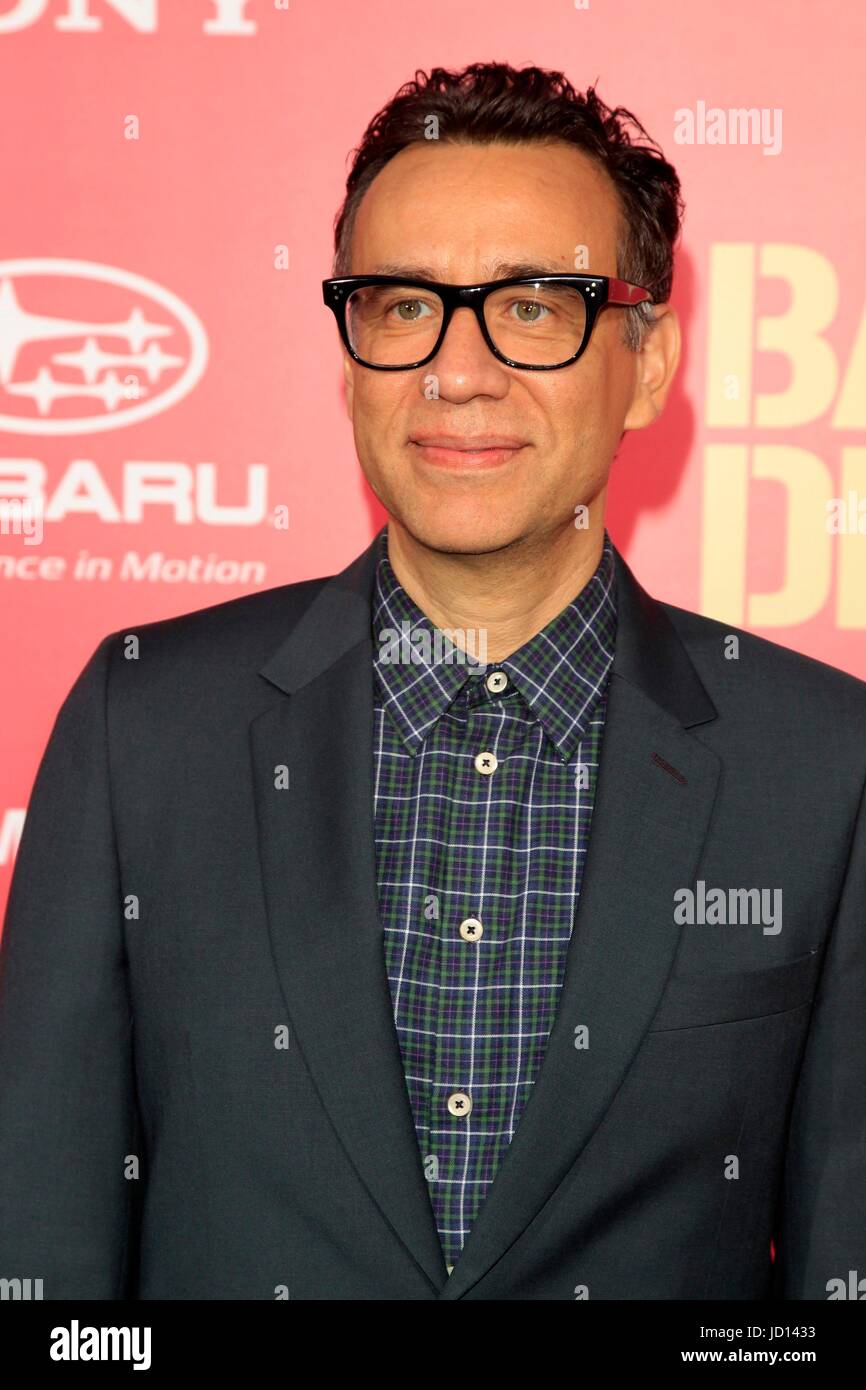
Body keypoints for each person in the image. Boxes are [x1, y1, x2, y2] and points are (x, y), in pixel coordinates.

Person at [1, 62, 864, 1301]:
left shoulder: (822, 764)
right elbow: (42, 1247)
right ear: (348, 354)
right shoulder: (144, 724)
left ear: (651, 359)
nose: (456, 372)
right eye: (403, 306)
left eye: (531, 306)